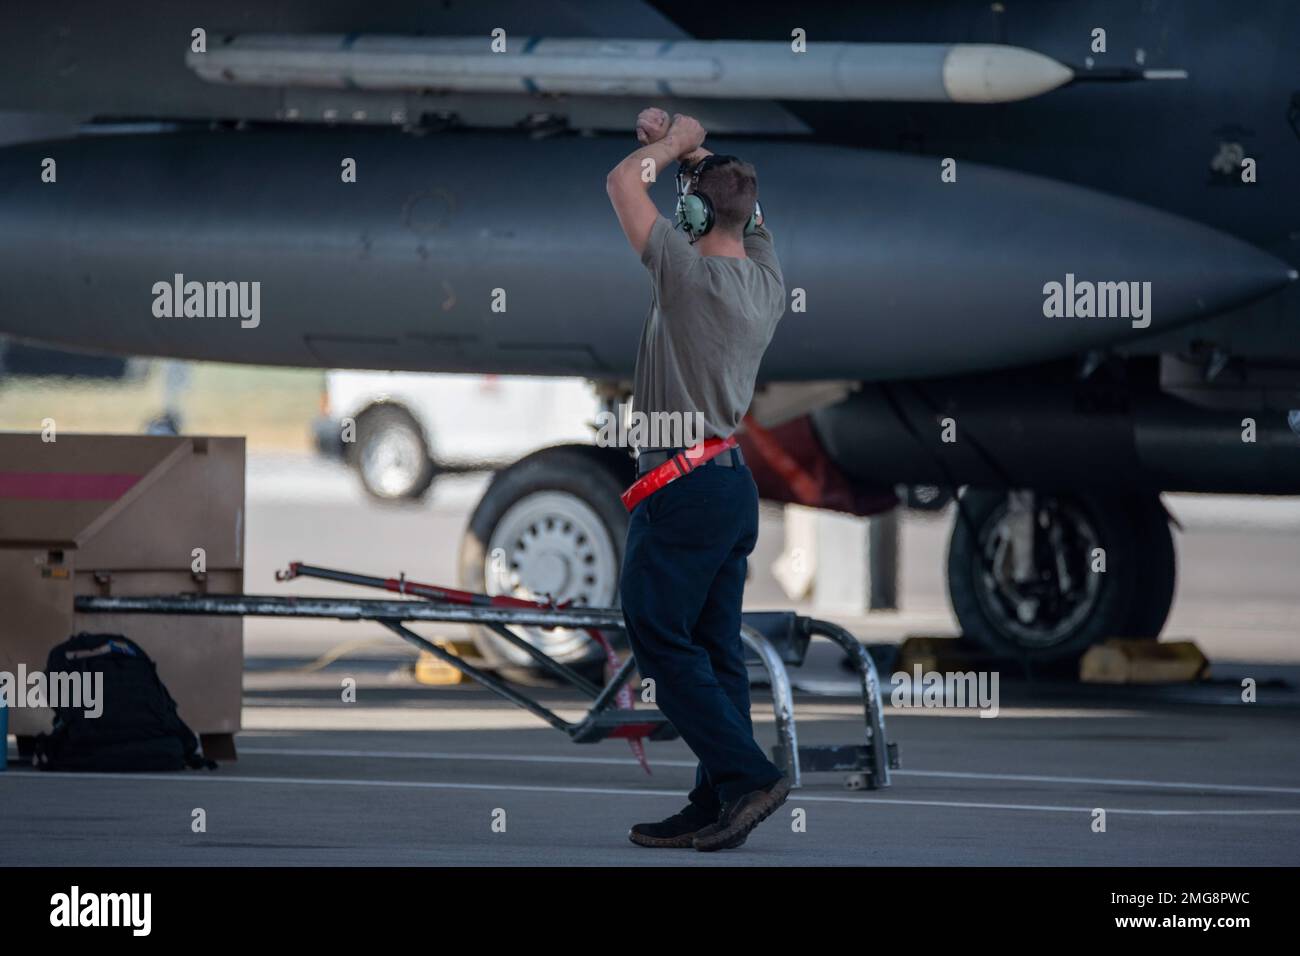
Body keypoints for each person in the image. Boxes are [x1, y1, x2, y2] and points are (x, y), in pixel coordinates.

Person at [604, 108, 789, 851]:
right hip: (727, 484)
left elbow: (621, 184)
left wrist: (672, 144)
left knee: (659, 639)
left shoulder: (684, 277)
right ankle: (718, 801)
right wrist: (692, 154)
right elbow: (744, 209)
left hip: (680, 490)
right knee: (714, 652)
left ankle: (747, 776)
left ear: (693, 215)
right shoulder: (767, 280)